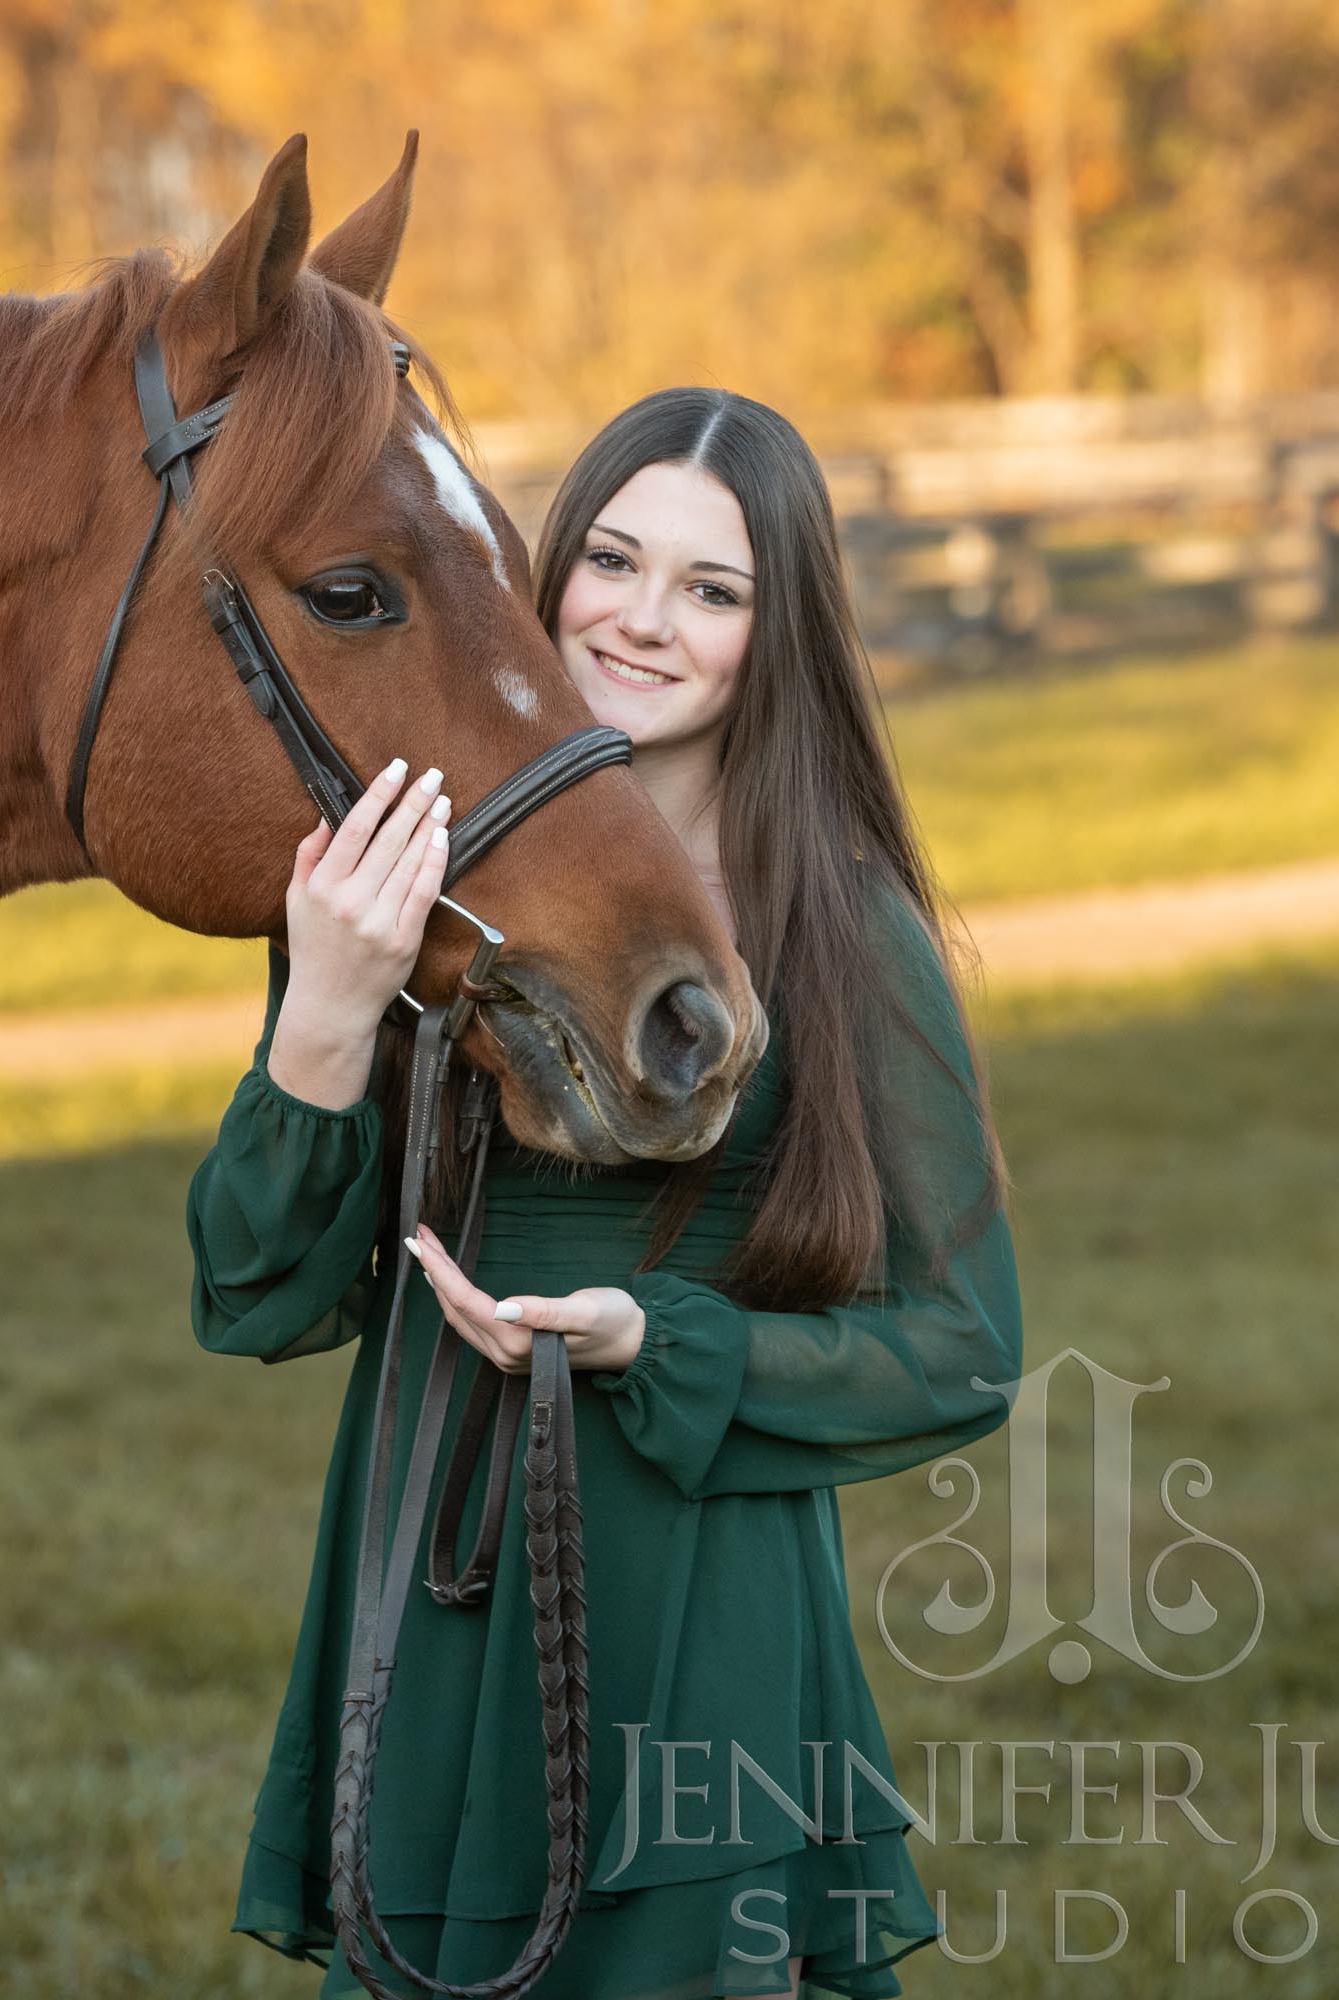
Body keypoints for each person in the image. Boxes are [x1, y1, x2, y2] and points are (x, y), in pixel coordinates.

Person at [185, 388, 1024, 1999]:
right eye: (614, 564)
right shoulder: (414, 883)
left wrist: (669, 1343)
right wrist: (328, 1005)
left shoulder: (845, 931)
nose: (643, 622)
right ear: (543, 574)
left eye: (711, 592)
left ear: (777, 640)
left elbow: (963, 1346)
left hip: (695, 1613)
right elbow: (258, 1292)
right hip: (426, 1586)